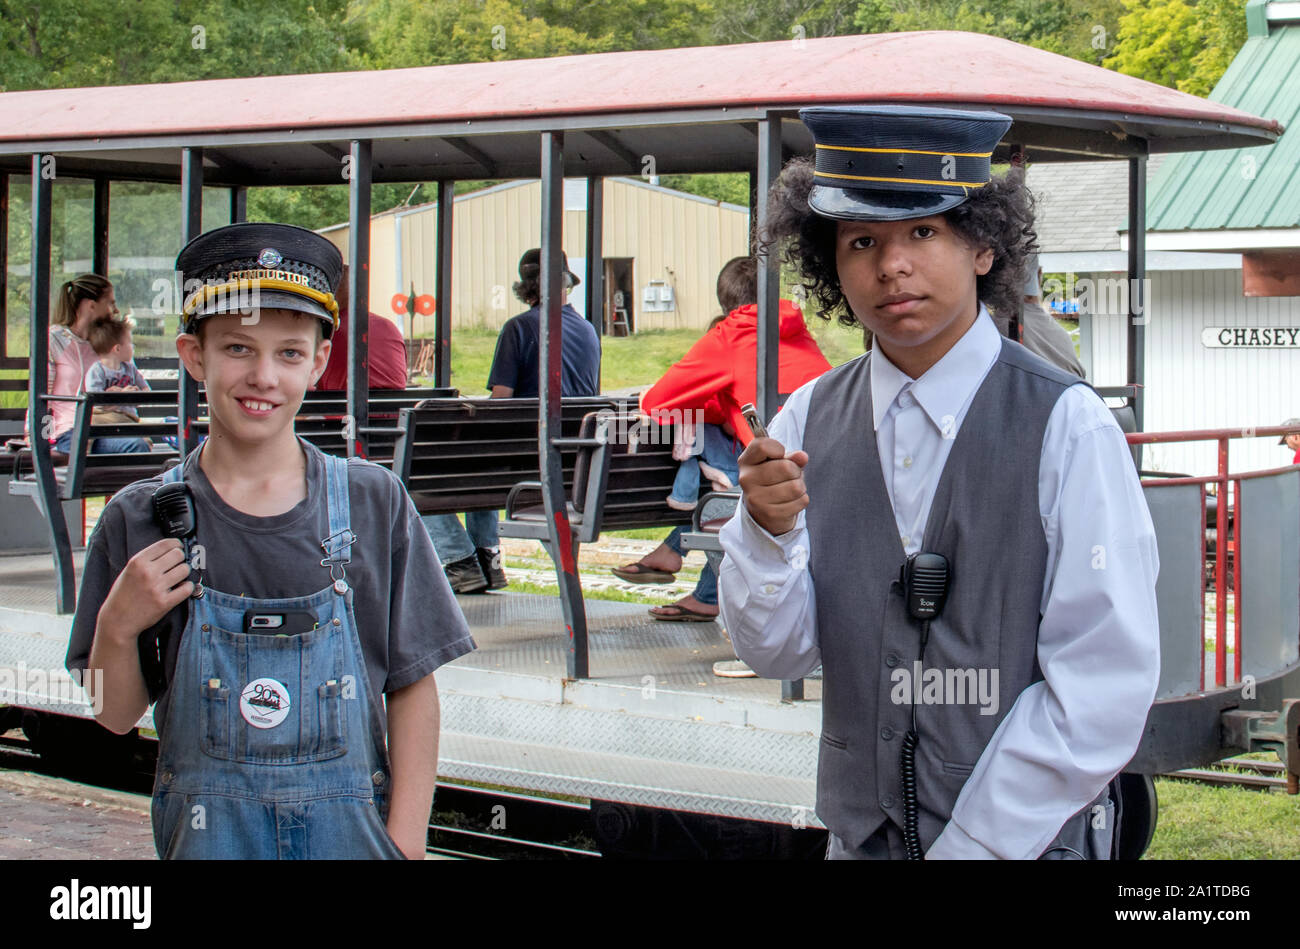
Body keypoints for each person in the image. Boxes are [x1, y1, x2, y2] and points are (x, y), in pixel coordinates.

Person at [719, 105, 1160, 859]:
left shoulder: (1068, 427)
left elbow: (1101, 683)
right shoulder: (805, 422)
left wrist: (975, 844)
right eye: (862, 242)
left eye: (923, 232)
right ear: (833, 266)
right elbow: (778, 655)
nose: (892, 265)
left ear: (984, 246)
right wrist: (767, 536)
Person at [66, 222, 475, 859]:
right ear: (193, 355)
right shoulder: (137, 516)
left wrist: (408, 844)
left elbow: (413, 684)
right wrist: (116, 626)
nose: (263, 376)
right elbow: (111, 714)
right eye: (237, 349)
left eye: (288, 353)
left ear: (317, 361)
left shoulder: (373, 503)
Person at [614, 257, 831, 631]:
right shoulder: (796, 331)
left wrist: (718, 404)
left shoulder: (731, 335)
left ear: (724, 301)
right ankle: (698, 587)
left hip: (785, 486)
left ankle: (693, 576)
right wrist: (729, 403)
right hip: (832, 469)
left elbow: (657, 404)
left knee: (727, 483)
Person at [424, 248, 601, 593]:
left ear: (527, 288)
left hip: (527, 455)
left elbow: (501, 400)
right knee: (481, 473)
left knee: (429, 476)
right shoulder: (588, 331)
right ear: (567, 282)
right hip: (574, 455)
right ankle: (487, 558)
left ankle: (461, 561)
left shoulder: (519, 328)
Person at [26, 274, 133, 454]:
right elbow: (44, 394)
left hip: (107, 424)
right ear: (91, 305)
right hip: (70, 429)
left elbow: (128, 377)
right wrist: (38, 438)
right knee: (131, 446)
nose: (115, 311)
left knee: (137, 445)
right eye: (110, 303)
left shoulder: (108, 340)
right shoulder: (55, 340)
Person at [314, 264, 409, 391]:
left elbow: (309, 379)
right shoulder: (389, 327)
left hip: (345, 409)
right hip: (395, 409)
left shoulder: (329, 331)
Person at [84, 314, 153, 454]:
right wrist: (122, 396)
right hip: (105, 418)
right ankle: (84, 452)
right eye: (130, 343)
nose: (133, 347)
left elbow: (146, 390)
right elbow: (95, 402)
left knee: (144, 442)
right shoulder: (97, 371)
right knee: (91, 425)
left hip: (128, 419)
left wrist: (136, 395)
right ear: (117, 349)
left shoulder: (130, 369)